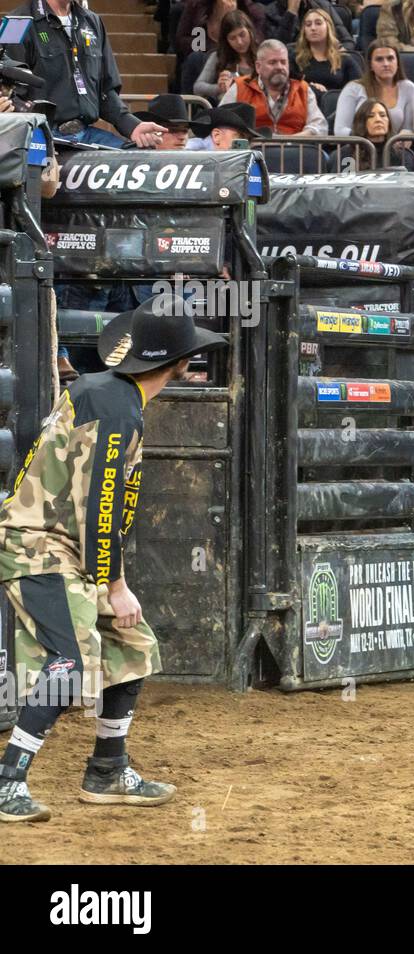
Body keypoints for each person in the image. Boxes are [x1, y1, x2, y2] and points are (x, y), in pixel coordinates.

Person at [0, 293, 227, 823]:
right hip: (39, 544)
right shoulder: (115, 405)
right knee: (71, 661)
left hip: (62, 544)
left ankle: (107, 768)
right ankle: (8, 780)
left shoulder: (108, 393)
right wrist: (115, 583)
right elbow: (102, 500)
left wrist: (105, 578)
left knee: (131, 642)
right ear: (180, 364)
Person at [5, 0, 169, 148]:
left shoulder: (92, 21)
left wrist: (132, 126)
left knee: (136, 159)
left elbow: (105, 91)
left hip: (85, 135)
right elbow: (7, 91)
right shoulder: (15, 23)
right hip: (40, 137)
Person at [221, 39, 329, 136]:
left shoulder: (303, 88)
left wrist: (295, 140)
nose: (279, 67)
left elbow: (319, 126)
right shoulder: (240, 87)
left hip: (295, 152)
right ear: (258, 67)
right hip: (253, 152)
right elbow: (221, 123)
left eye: (283, 62)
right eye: (272, 62)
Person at [335, 41, 414, 136]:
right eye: (379, 59)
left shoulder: (408, 87)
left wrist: (405, 134)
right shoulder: (353, 88)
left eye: (390, 58)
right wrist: (366, 138)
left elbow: (409, 127)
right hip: (360, 147)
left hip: (395, 148)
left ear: (398, 63)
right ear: (370, 65)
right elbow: (340, 130)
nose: (386, 64)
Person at [193, 10, 258, 102]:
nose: (239, 42)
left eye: (242, 35)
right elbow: (198, 87)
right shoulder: (218, 57)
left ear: (250, 31)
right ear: (226, 40)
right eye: (232, 38)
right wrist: (219, 88)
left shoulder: (263, 53)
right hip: (230, 108)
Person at [294, 7, 362, 93]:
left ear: (328, 27)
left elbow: (359, 90)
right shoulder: (295, 57)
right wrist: (308, 87)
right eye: (308, 25)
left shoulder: (344, 59)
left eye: (318, 23)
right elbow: (288, 86)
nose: (313, 28)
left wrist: (329, 94)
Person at [175, 0, 266, 57]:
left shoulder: (254, 12)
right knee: (196, 58)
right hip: (204, 60)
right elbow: (182, 41)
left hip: (243, 62)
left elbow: (257, 44)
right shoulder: (195, 6)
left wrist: (232, 19)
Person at [352, 98, 414, 168]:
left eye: (382, 115)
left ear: (388, 121)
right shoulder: (346, 153)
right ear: (361, 122)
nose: (378, 120)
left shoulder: (403, 155)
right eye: (371, 116)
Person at [187, 101, 262, 149]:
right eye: (240, 137)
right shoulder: (190, 153)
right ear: (216, 136)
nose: (246, 147)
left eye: (248, 140)